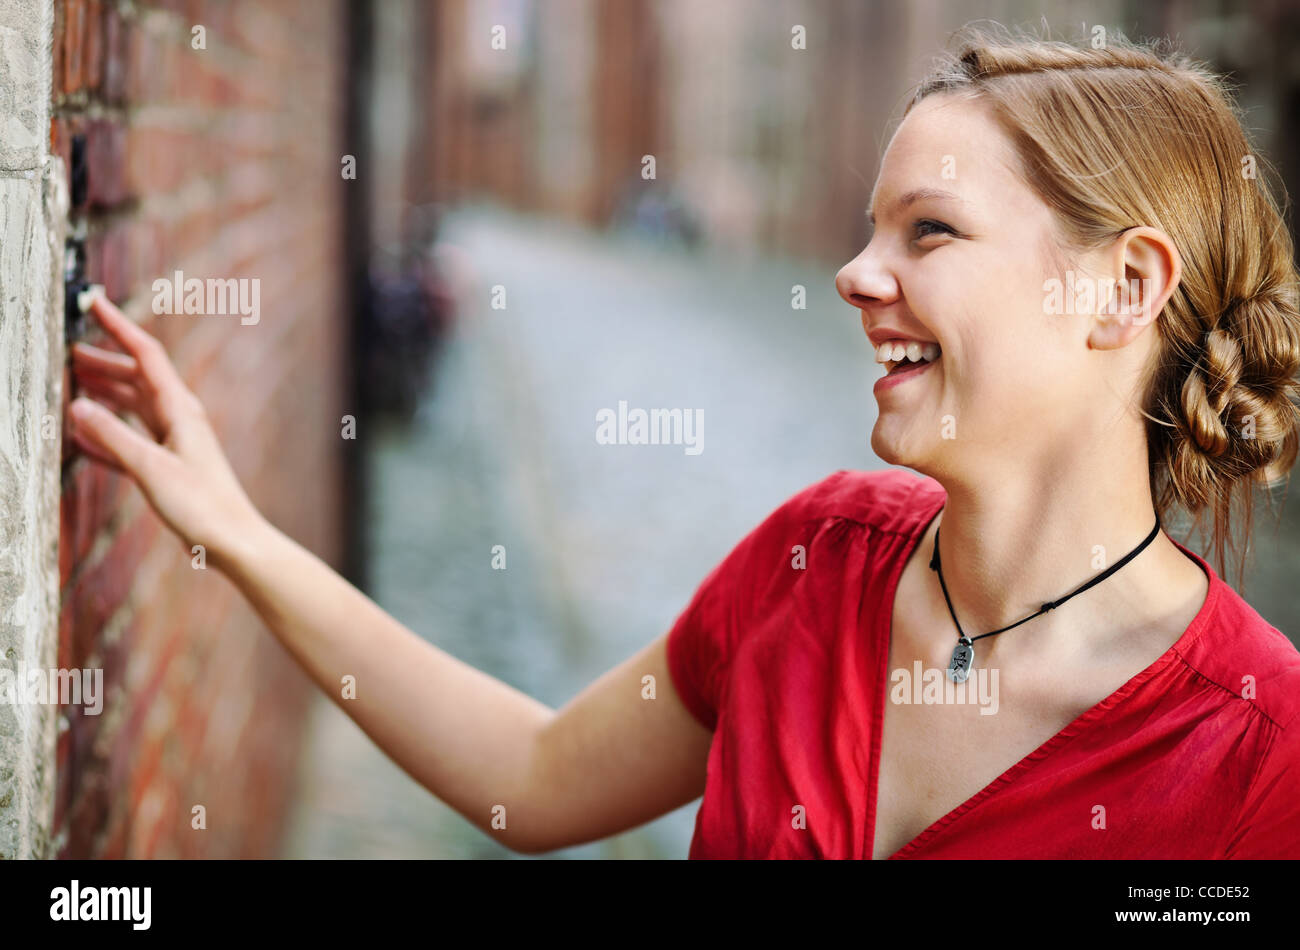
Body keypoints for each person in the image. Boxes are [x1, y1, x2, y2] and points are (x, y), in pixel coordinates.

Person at [67, 28, 1300, 859]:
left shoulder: (1257, 752)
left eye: (928, 233)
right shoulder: (811, 563)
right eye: (868, 229)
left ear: (1123, 289)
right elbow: (536, 777)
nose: (854, 273)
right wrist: (232, 531)